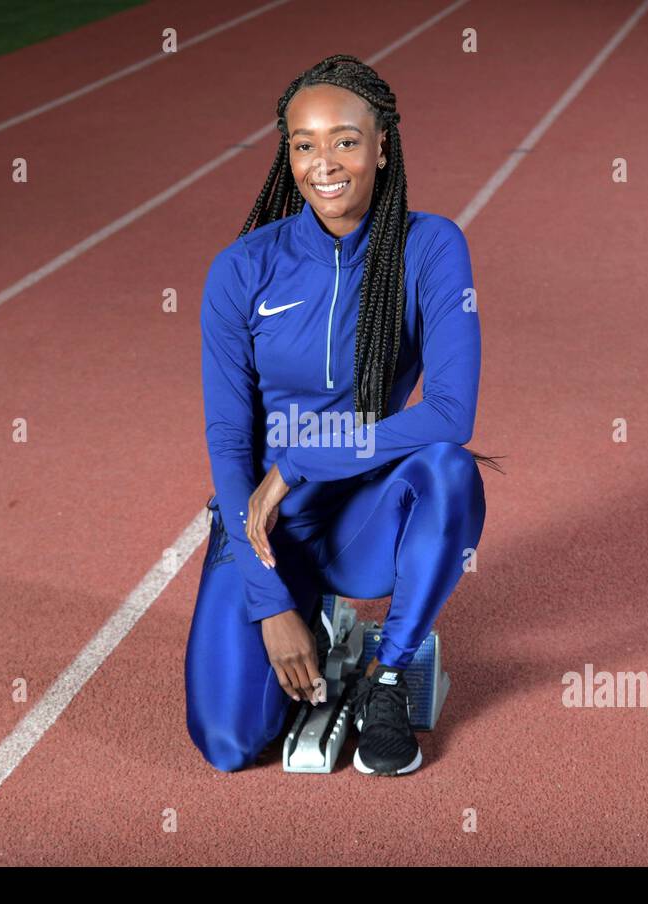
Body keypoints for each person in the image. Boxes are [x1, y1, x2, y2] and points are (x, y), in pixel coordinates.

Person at [185, 54, 501, 776]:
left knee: (448, 472)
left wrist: (299, 461)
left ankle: (388, 675)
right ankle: (313, 621)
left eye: (345, 141)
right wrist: (270, 606)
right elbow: (229, 442)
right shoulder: (241, 268)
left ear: (383, 144)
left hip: (364, 512)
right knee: (229, 744)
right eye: (303, 143)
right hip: (267, 528)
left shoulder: (431, 247)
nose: (322, 163)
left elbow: (451, 414)